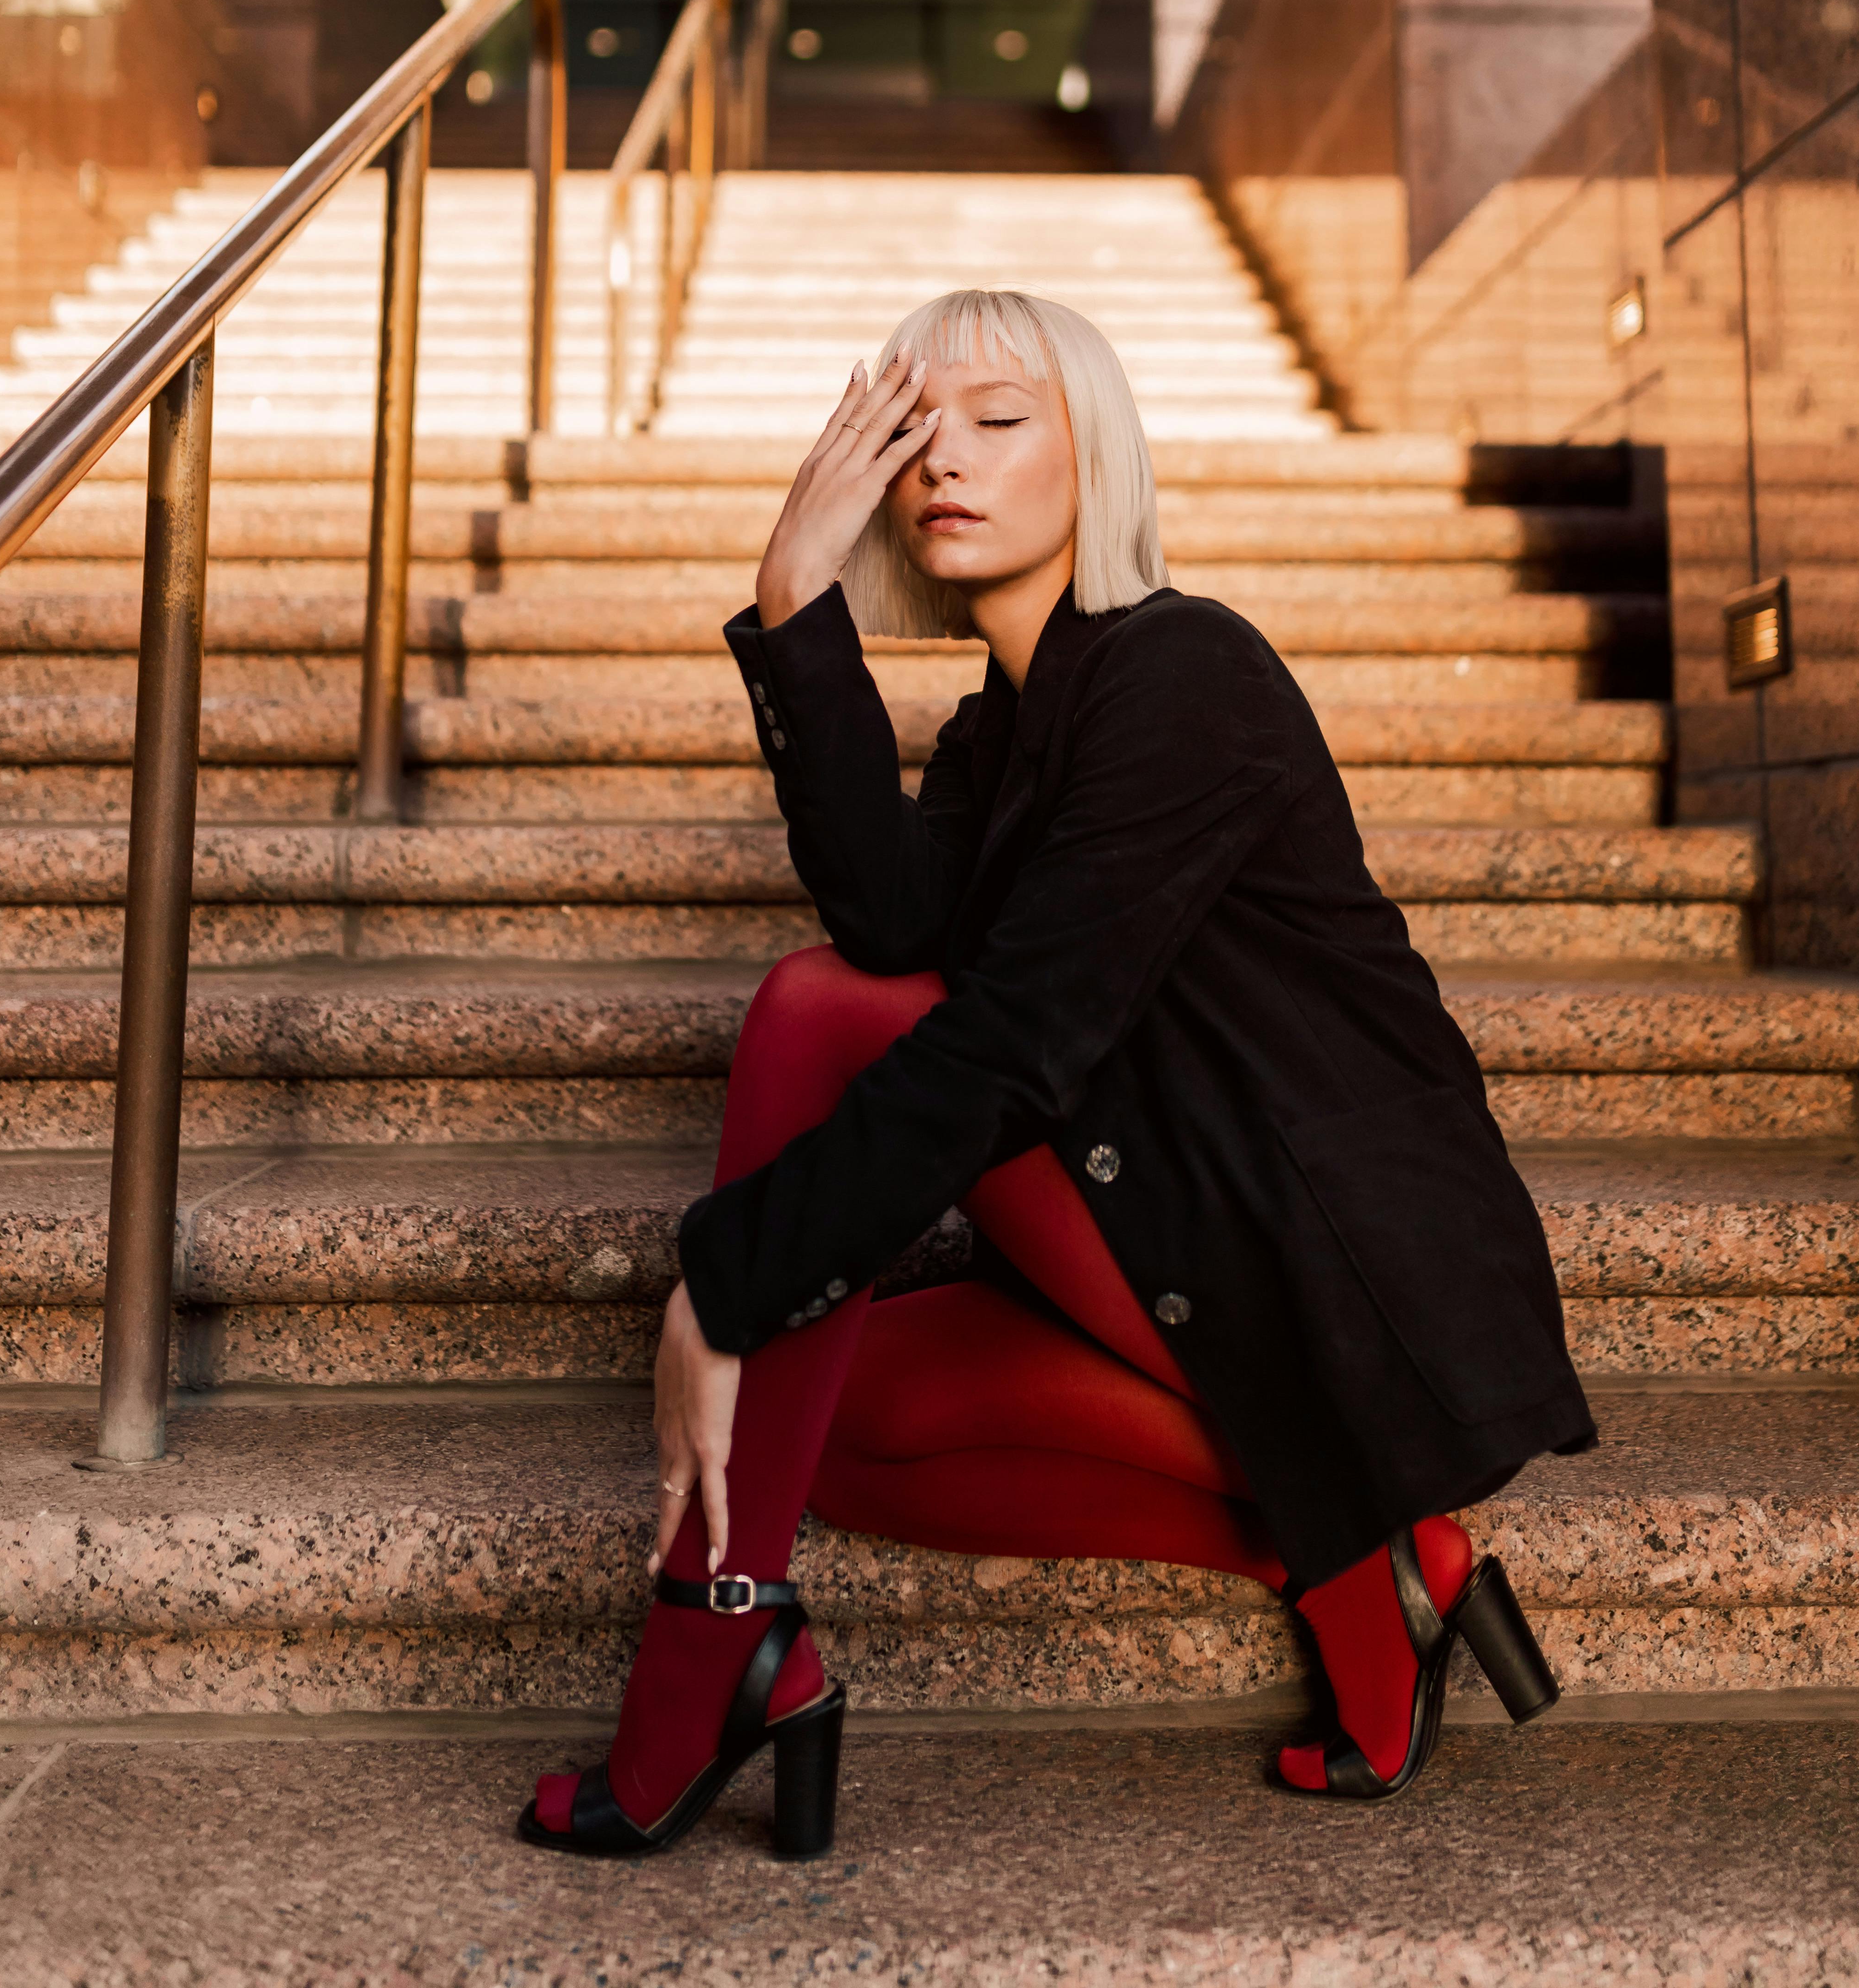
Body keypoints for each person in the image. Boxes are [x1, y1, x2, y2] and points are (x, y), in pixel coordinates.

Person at [519, 289, 1594, 1861]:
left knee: (820, 1019)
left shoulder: (1183, 671)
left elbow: (1002, 1043)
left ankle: (710, 1634)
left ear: (1097, 458)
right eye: (909, 432)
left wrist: (722, 1283)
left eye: (1000, 420)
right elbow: (894, 919)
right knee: (859, 1419)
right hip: (1165, 1213)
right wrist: (793, 592)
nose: (944, 461)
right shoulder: (1000, 729)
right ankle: (1371, 1563)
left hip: (1329, 1254)